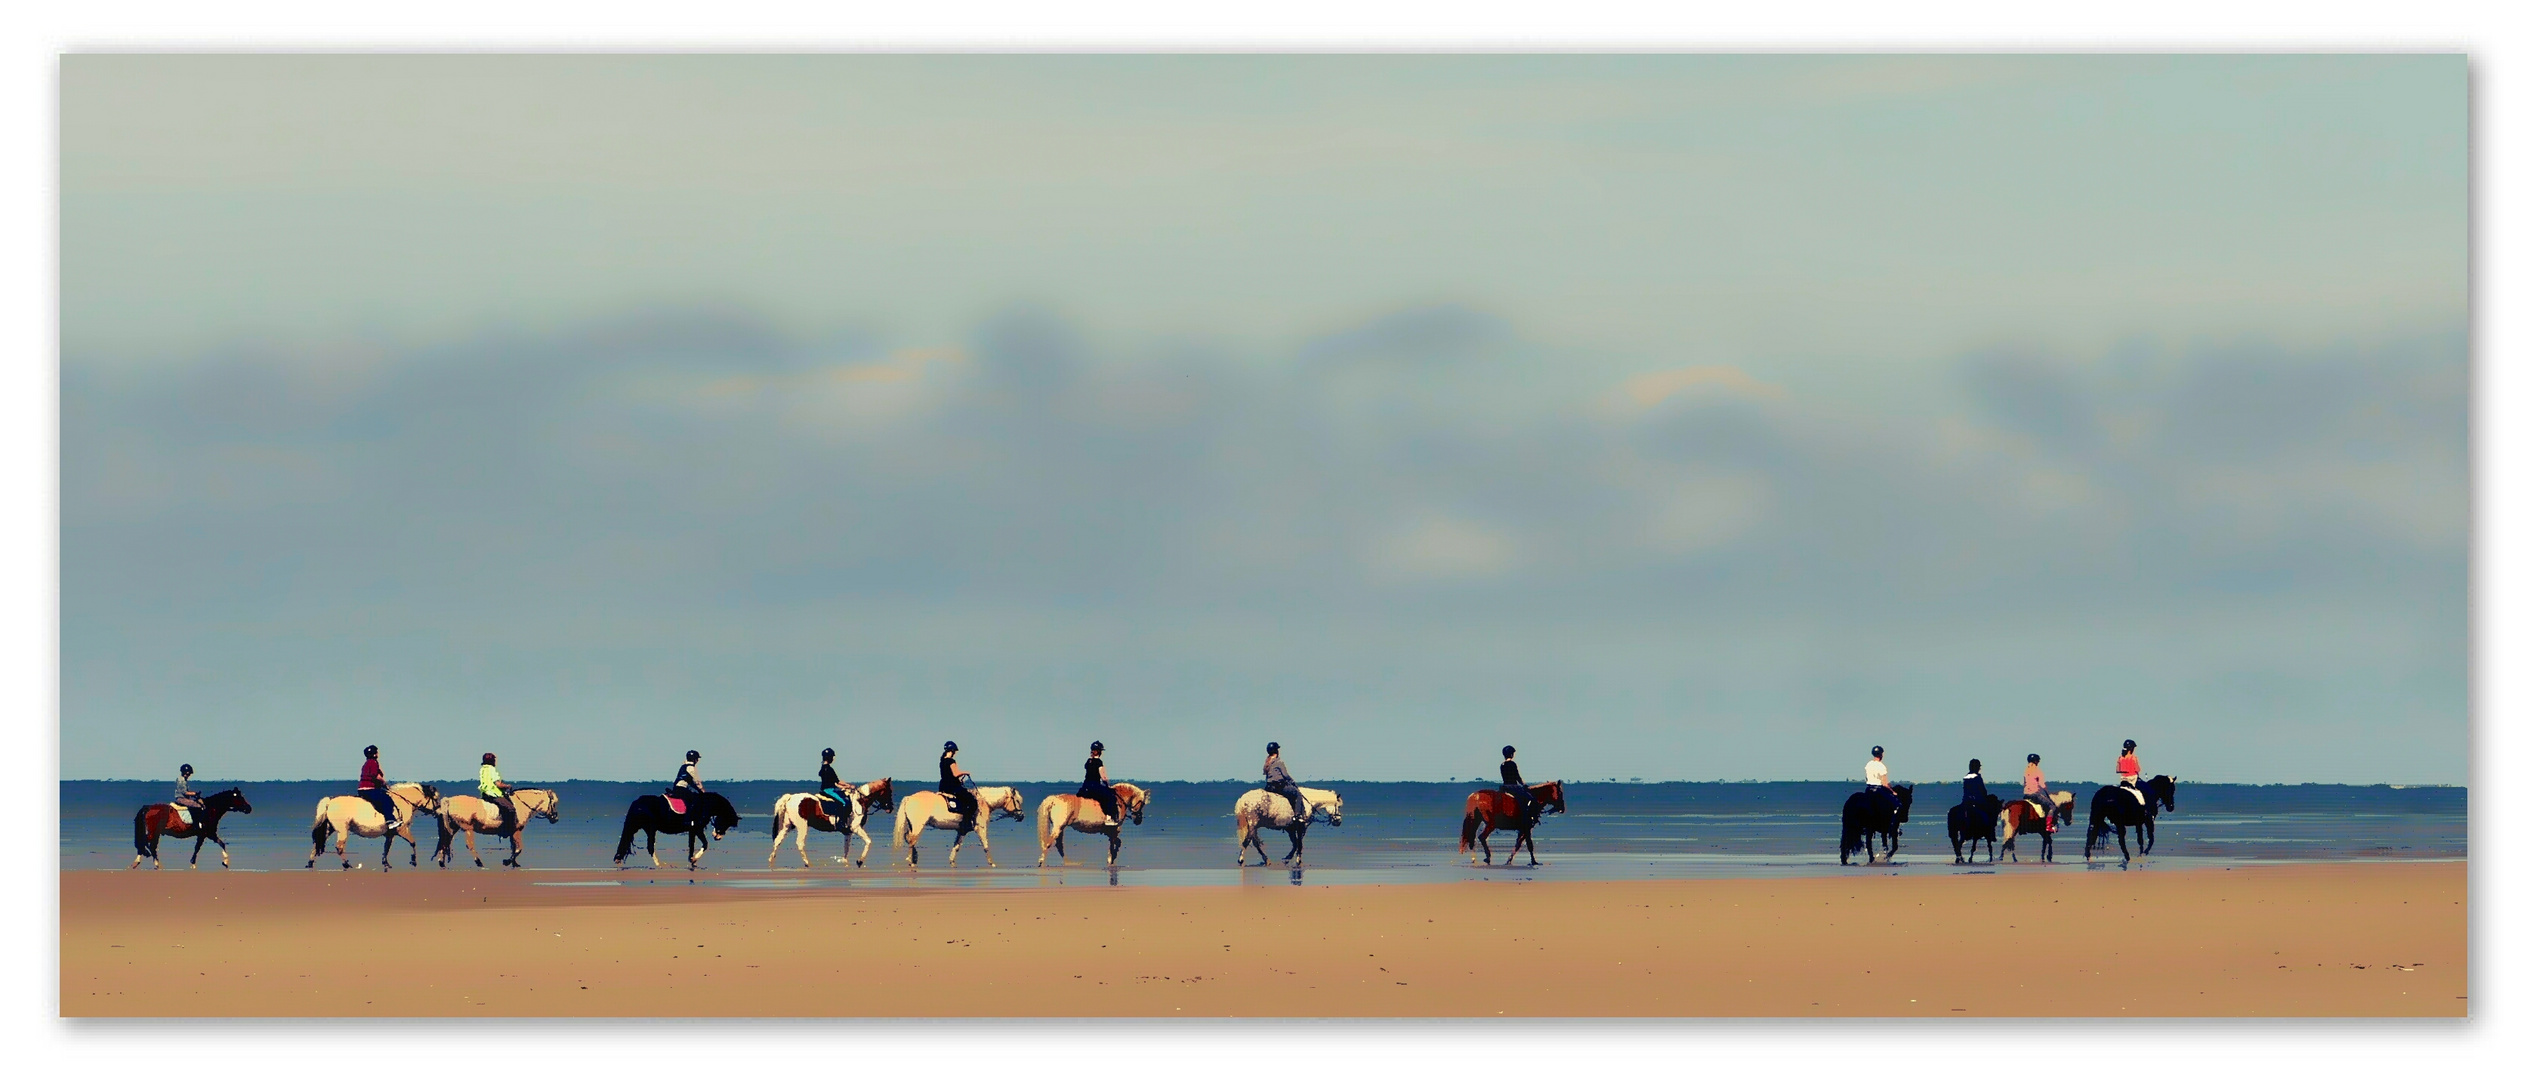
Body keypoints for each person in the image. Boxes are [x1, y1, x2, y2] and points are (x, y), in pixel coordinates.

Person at [357, 744, 401, 832]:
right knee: (387, 799)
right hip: (369, 789)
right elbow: (376, 776)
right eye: (377, 752)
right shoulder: (373, 763)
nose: (378, 753)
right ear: (374, 754)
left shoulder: (366, 763)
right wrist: (385, 784)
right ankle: (390, 821)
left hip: (362, 789)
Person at [1262, 742, 1307, 822]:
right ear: (1276, 751)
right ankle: (1297, 815)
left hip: (1269, 788)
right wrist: (1292, 781)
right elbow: (1285, 775)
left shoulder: (1267, 763)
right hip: (1278, 787)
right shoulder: (1279, 762)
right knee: (1297, 794)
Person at [1078, 740, 1120, 825]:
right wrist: (1108, 785)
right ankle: (1108, 819)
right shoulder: (1099, 762)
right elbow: (1103, 776)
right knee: (1111, 797)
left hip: (1085, 786)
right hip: (1094, 786)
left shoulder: (1088, 761)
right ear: (1099, 751)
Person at [939, 741, 975, 833]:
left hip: (943, 786)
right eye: (954, 751)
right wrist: (965, 772)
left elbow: (947, 775)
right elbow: (955, 774)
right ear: (952, 751)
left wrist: (959, 780)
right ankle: (966, 824)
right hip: (952, 787)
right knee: (972, 801)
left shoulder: (942, 761)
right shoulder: (951, 761)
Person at [478, 752, 518, 836]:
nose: (496, 762)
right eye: (495, 760)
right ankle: (506, 830)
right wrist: (507, 786)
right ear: (492, 760)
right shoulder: (492, 769)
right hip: (493, 794)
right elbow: (498, 784)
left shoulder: (482, 769)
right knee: (511, 809)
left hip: (484, 794)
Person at [1499, 745, 1536, 825]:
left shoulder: (1502, 765)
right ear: (1511, 754)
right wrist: (1524, 784)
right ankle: (1527, 817)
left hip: (1504, 787)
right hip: (1513, 787)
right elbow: (1517, 777)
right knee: (1530, 798)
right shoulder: (1512, 764)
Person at [817, 748, 850, 825]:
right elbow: (838, 781)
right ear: (830, 758)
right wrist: (848, 785)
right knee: (844, 803)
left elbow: (833, 782)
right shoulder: (829, 769)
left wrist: (842, 787)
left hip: (830, 789)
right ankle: (841, 823)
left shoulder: (823, 767)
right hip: (829, 790)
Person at [2023, 753, 2055, 830]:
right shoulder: (2037, 771)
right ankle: (2048, 826)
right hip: (2035, 795)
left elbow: (2024, 783)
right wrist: (2048, 793)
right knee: (2052, 807)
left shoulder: (2026, 771)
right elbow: (2042, 784)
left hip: (2026, 795)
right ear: (2036, 761)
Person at [1961, 758, 1994, 833]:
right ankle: (1987, 831)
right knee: (1986, 815)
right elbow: (1982, 789)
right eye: (1979, 766)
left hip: (1966, 800)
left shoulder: (1966, 776)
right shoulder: (1977, 777)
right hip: (1977, 801)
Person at [1862, 746, 1895, 817]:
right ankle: (1893, 825)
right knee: (1897, 804)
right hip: (1878, 790)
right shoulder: (1881, 766)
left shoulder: (1869, 764)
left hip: (1868, 789)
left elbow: (1867, 778)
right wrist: (1893, 792)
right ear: (1881, 754)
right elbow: (1885, 784)